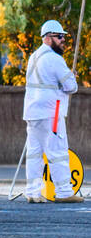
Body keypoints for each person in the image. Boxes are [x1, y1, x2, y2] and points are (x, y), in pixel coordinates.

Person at [22, 19, 83, 203]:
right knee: (57, 151)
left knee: (34, 152)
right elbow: (71, 87)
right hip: (51, 112)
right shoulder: (55, 59)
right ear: (48, 38)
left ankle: (32, 192)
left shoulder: (33, 57)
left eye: (63, 36)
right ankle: (64, 192)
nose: (63, 40)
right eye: (59, 37)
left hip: (32, 113)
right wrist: (72, 77)